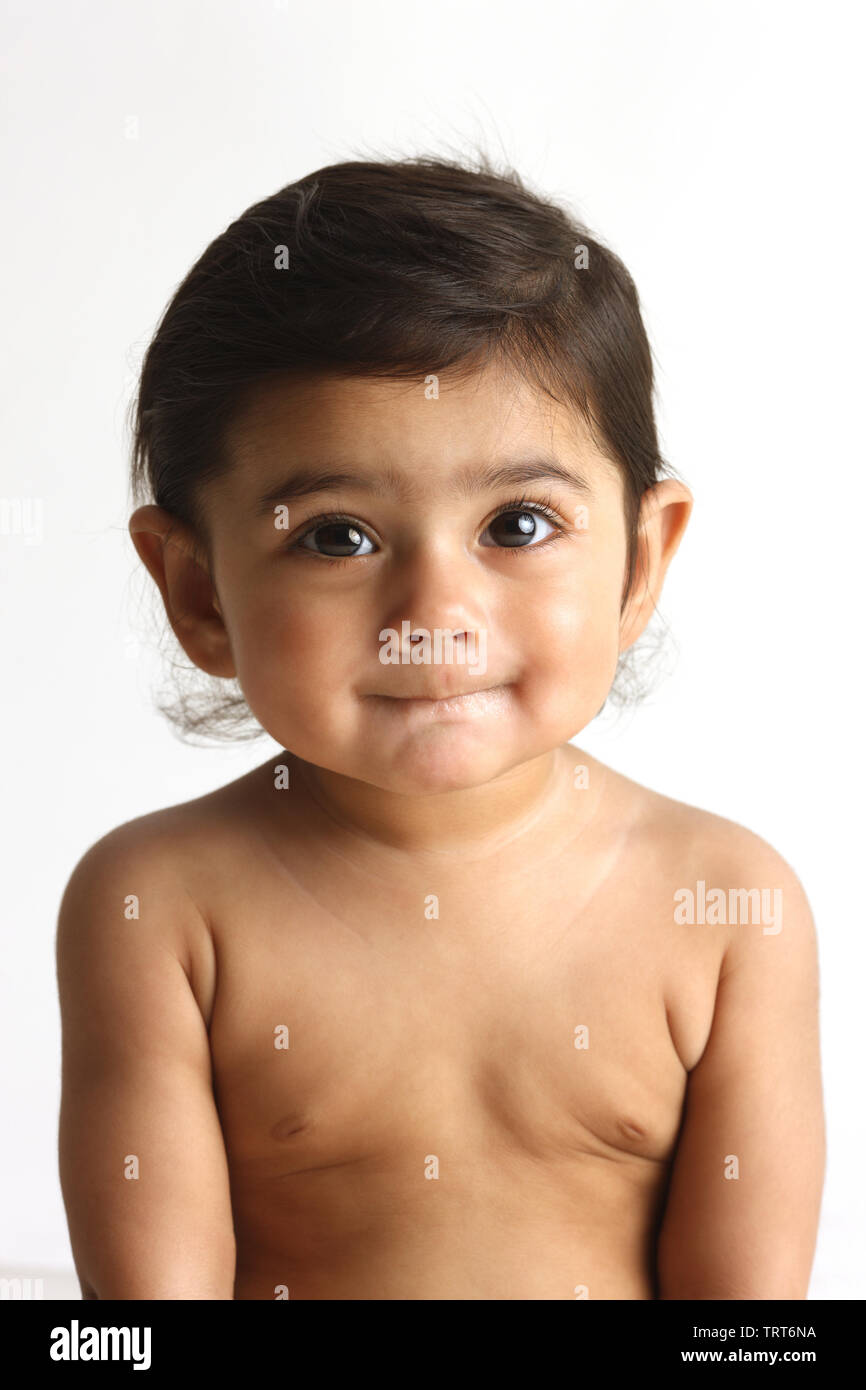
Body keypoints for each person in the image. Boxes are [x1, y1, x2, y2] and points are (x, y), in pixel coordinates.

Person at [56, 154, 824, 1300]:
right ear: (199, 592)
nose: (433, 616)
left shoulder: (722, 906)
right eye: (336, 536)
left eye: (516, 524)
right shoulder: (160, 907)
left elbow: (749, 1326)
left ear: (638, 559)